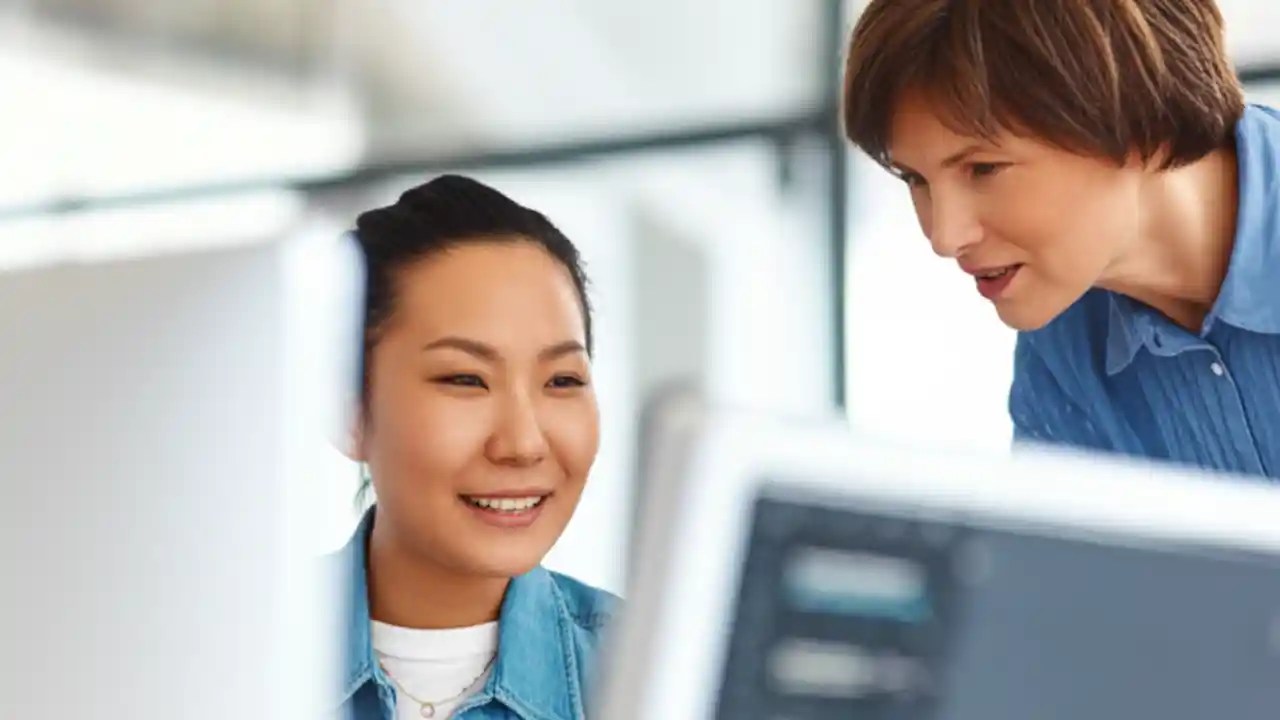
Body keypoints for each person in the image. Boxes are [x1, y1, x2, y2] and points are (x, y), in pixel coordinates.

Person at [841, 0, 1280, 478]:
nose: (944, 237)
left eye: (984, 169)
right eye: (915, 179)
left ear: (1135, 118)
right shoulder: (1062, 348)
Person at [333, 175, 617, 719]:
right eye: (465, 380)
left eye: (562, 380)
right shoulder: (216, 653)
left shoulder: (665, 678)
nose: (524, 444)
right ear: (349, 413)